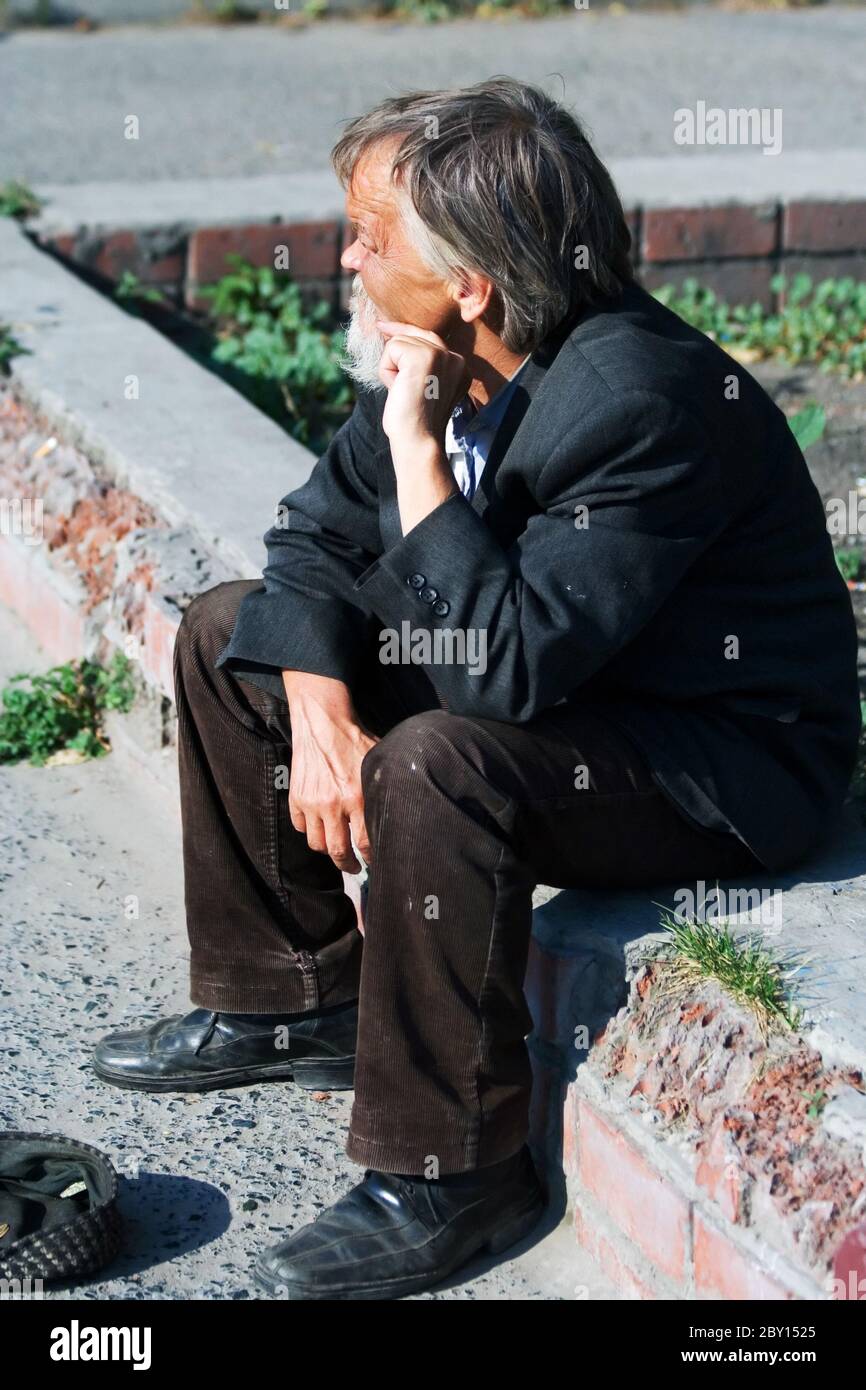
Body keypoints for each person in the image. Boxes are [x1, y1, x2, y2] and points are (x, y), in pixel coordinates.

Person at [93, 77, 861, 1300]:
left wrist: (413, 451)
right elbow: (309, 543)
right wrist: (317, 701)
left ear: (468, 285)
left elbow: (500, 677)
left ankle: (454, 1173)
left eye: (368, 237)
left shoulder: (635, 402)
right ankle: (297, 999)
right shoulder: (444, 345)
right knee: (230, 631)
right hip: (559, 679)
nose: (343, 257)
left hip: (719, 753)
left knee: (439, 763)